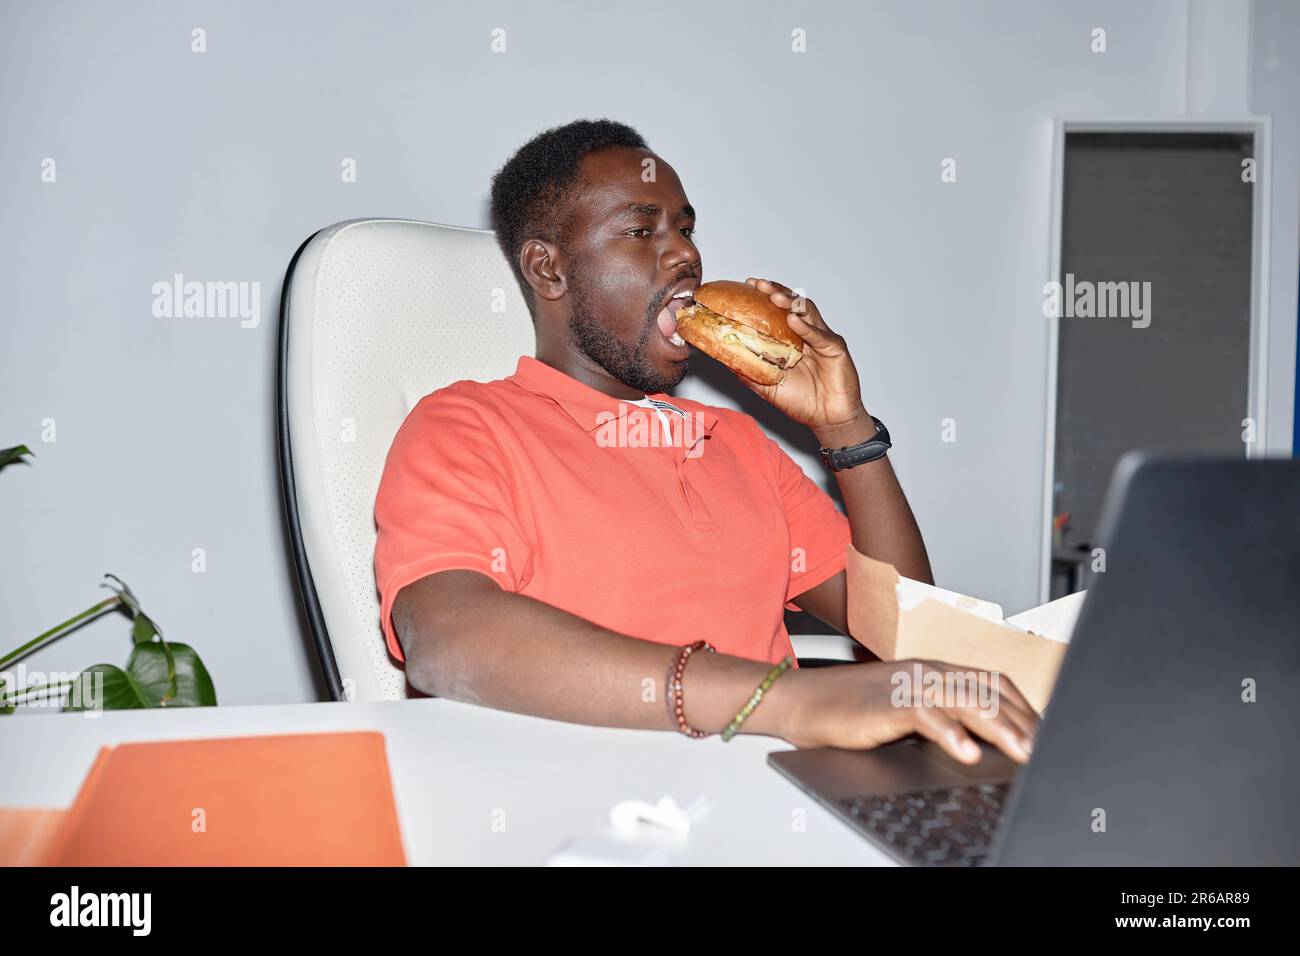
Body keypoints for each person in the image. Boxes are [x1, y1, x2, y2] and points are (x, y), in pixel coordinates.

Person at [374, 119, 1037, 764]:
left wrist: (846, 428)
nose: (685, 253)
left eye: (686, 229)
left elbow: (908, 635)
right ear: (549, 271)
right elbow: (446, 639)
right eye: (641, 230)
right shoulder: (469, 425)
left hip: (781, 802)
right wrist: (789, 700)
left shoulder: (736, 444)